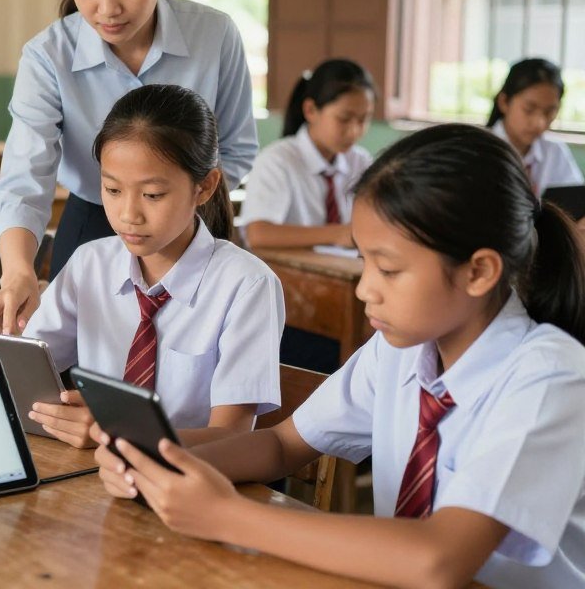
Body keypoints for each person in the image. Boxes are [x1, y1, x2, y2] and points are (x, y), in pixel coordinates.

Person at [92, 123, 585, 589]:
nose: (365, 289)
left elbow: (441, 559)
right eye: (362, 260)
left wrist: (224, 514)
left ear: (478, 272)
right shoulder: (401, 350)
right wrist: (159, 459)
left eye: (388, 270)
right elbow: (284, 445)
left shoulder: (549, 377)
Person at [0, 0, 258, 335]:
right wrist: (18, 273)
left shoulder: (215, 35)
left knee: (194, 368)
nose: (107, 8)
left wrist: (179, 208)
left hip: (192, 225)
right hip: (92, 222)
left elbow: (238, 147)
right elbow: (24, 178)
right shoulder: (49, 56)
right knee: (75, 370)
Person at [23, 84, 282, 448]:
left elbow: (231, 437)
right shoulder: (90, 263)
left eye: (152, 195)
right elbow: (29, 368)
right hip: (96, 477)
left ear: (204, 187)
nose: (129, 214)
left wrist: (112, 437)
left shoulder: (248, 285)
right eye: (112, 190)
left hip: (196, 486)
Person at [241, 59, 375, 250]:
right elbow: (258, 234)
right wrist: (337, 234)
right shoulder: (277, 161)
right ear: (311, 110)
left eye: (363, 119)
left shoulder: (360, 161)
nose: (354, 131)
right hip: (289, 276)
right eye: (344, 119)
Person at [487, 57, 583, 195]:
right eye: (529, 109)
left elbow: (576, 203)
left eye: (550, 111)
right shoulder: (480, 149)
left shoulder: (554, 151)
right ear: (504, 102)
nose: (540, 123)